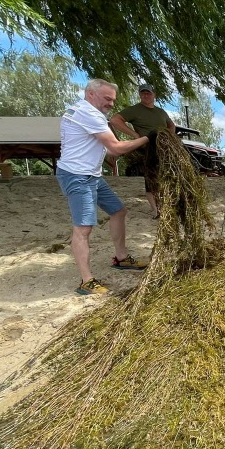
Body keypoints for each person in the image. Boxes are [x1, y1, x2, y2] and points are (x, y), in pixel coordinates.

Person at [57, 79, 152, 296]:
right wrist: (146, 138)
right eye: (107, 98)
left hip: (92, 175)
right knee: (83, 228)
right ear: (90, 94)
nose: (111, 103)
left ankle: (121, 258)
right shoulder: (87, 113)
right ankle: (86, 281)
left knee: (118, 211)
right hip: (77, 176)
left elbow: (108, 151)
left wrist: (134, 145)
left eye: (113, 100)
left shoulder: (88, 113)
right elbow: (116, 149)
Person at [109, 83, 176, 218]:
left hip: (164, 150)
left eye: (148, 93)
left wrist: (170, 137)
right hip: (148, 150)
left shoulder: (161, 112)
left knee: (167, 178)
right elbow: (115, 120)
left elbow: (171, 125)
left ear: (154, 95)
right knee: (151, 180)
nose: (146, 95)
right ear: (140, 95)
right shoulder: (135, 110)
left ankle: (168, 207)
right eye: (143, 93)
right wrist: (135, 135)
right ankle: (157, 211)